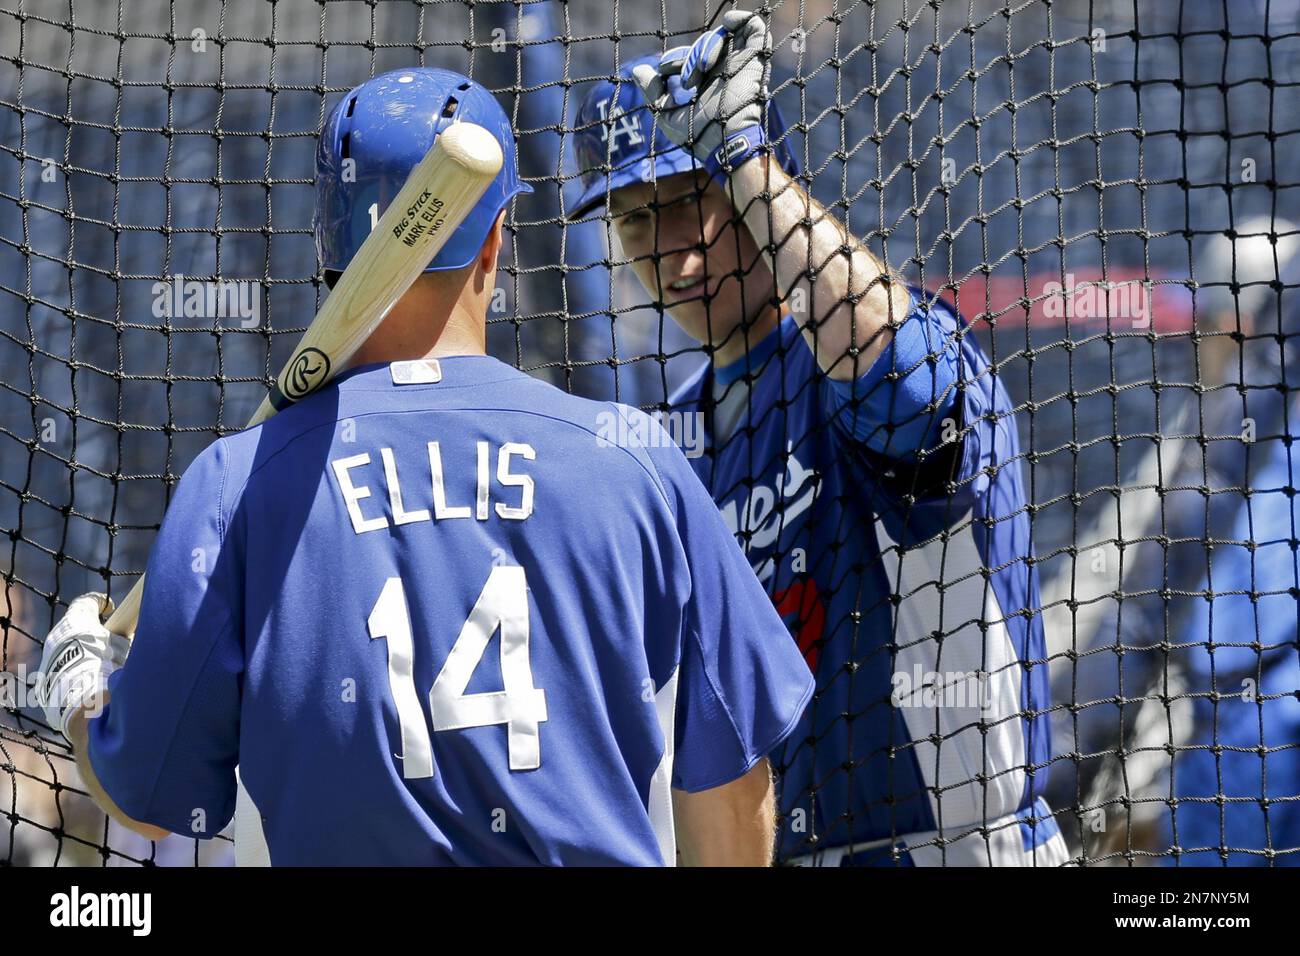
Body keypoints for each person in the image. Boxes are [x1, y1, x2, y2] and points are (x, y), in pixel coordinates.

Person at [34, 67, 814, 866]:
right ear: (497, 239)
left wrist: (78, 687)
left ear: (327, 241)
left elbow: (149, 798)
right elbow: (728, 781)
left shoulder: (237, 486)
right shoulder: (634, 460)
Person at [571, 10, 1067, 865]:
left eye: (693, 201)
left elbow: (904, 384)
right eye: (637, 222)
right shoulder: (666, 441)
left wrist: (744, 159)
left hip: (957, 846)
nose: (674, 255)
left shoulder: (870, 350)